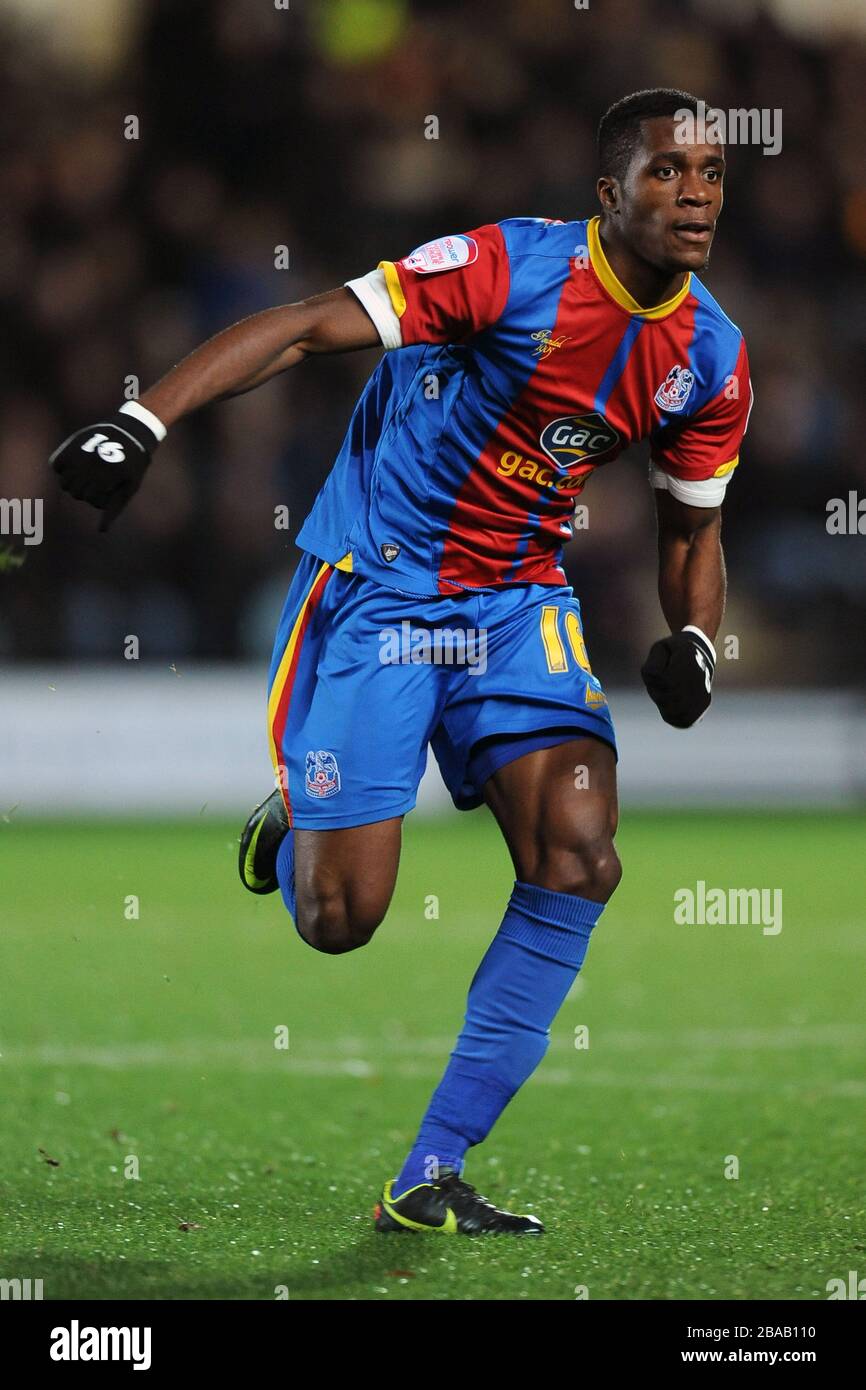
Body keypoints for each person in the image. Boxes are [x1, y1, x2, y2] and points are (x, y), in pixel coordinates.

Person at [50, 88, 752, 1236]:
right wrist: (148, 421)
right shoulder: (505, 269)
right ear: (606, 193)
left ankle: (430, 1173)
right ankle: (299, 830)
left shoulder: (709, 355)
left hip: (520, 602)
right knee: (341, 918)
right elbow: (303, 323)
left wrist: (688, 640)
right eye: (667, 172)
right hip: (384, 588)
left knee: (580, 855)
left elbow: (693, 527)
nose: (694, 195)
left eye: (711, 175)